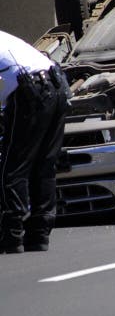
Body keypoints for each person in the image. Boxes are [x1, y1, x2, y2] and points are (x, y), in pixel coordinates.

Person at [1, 30, 70, 254]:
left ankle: (11, 236)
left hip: (29, 91)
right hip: (57, 87)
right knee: (44, 164)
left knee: (13, 167)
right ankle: (39, 235)